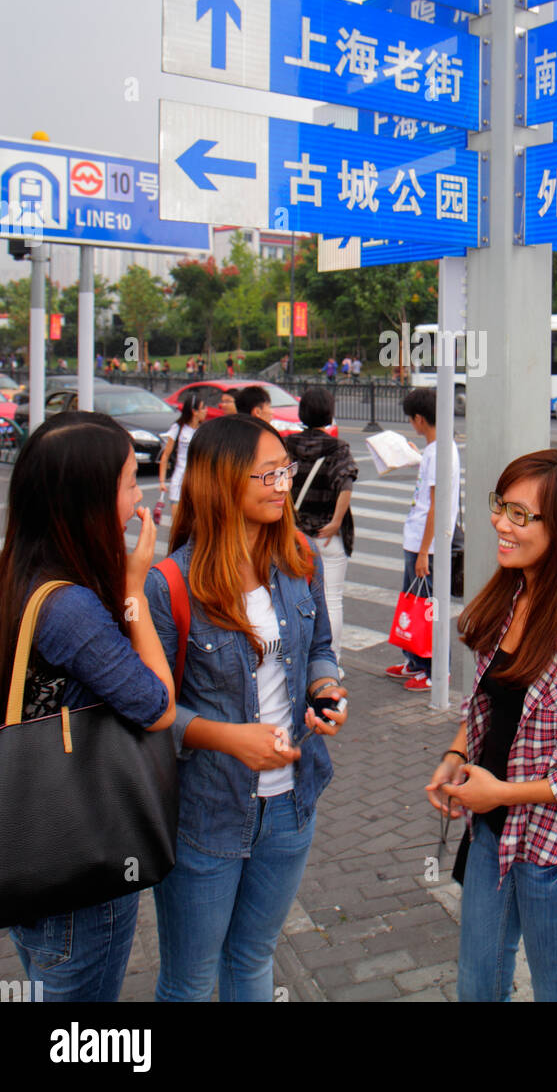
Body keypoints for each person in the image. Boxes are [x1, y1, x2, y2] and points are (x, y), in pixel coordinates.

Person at [426, 448, 557, 1002]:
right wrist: (456, 755)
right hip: (490, 838)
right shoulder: (509, 597)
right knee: (477, 987)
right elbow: (491, 707)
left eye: (520, 515)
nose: (500, 522)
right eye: (501, 506)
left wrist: (503, 791)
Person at [145, 416, 347, 1002]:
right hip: (204, 812)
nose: (281, 484)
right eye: (265, 473)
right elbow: (152, 711)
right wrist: (229, 738)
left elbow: (322, 652)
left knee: (252, 959)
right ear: (219, 480)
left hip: (291, 804)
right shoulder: (170, 585)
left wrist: (326, 690)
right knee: (188, 982)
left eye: (285, 470)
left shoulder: (301, 557)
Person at [0, 411, 175, 1001]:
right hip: (79, 871)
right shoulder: (69, 608)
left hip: (30, 857)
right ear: (87, 501)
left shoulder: (18, 574)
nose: (138, 498)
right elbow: (156, 705)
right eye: (129, 482)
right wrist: (132, 594)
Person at [385, 387, 460, 692]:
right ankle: (416, 662)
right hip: (417, 540)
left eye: (411, 419)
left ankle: (434, 670)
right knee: (414, 604)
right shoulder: (435, 449)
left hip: (424, 544)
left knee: (428, 608)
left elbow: (436, 507)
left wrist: (423, 552)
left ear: (419, 419)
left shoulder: (440, 453)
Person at [284, 387, 358, 672]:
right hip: (327, 536)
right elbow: (346, 484)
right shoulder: (337, 448)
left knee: (291, 596)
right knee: (331, 599)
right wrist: (336, 521)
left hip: (293, 535)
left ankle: (297, 660)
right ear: (329, 413)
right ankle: (332, 664)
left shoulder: (286, 444)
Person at [159, 394, 207, 513]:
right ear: (194, 412)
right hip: (179, 481)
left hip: (198, 482)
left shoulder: (204, 430)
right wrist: (162, 481)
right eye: (203, 408)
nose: (206, 410)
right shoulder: (178, 428)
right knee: (178, 524)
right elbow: (165, 455)